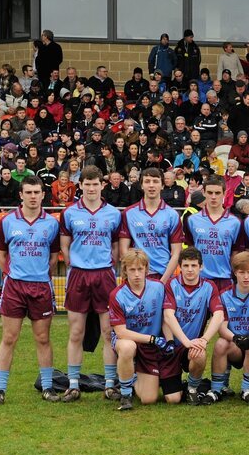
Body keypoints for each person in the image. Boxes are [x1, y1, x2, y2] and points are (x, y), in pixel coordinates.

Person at [0, 176, 61, 405]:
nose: (32, 196)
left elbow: (53, 258)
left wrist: (37, 273)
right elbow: (0, 256)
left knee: (42, 338)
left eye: (36, 192)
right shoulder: (8, 221)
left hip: (40, 286)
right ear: (21, 195)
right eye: (28, 192)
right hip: (15, 286)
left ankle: (48, 388)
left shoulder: (51, 223)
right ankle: (0, 390)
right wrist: (14, 273)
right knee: (9, 337)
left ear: (42, 195)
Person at [59, 166, 123, 403]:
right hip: (79, 275)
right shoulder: (69, 213)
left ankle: (109, 384)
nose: (92, 188)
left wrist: (108, 265)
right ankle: (73, 384)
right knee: (76, 332)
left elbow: (116, 246)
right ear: (81, 186)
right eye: (87, 184)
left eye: (96, 184)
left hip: (104, 275)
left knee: (108, 332)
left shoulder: (114, 214)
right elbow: (65, 243)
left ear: (102, 185)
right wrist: (72, 263)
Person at [108, 249, 173, 411]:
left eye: (140, 269)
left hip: (151, 346)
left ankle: (133, 374)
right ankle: (125, 394)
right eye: (132, 269)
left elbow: (165, 317)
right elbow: (121, 332)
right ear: (125, 271)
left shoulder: (158, 288)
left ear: (146, 269)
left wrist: (169, 340)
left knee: (149, 399)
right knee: (128, 347)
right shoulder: (117, 295)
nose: (137, 274)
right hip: (129, 340)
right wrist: (152, 339)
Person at [208, 251, 249, 403]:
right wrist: (235, 338)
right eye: (241, 272)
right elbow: (221, 327)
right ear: (235, 273)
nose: (246, 277)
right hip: (235, 344)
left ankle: (247, 389)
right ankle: (217, 390)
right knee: (220, 343)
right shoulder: (224, 295)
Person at [161, 247, 224, 405]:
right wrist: (185, 341)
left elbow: (219, 315)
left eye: (194, 265)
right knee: (172, 399)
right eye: (186, 265)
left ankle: (192, 389)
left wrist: (204, 339)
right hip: (170, 347)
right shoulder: (171, 285)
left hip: (192, 346)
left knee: (200, 353)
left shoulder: (209, 287)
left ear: (201, 267)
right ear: (180, 267)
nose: (190, 270)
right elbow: (168, 316)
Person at [118, 167, 184, 283]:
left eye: (156, 181)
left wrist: (163, 281)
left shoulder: (172, 215)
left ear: (162, 185)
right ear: (141, 185)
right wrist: (135, 275)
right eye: (147, 181)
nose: (151, 185)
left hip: (163, 275)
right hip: (137, 275)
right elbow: (123, 249)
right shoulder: (129, 213)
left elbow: (176, 252)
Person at [184, 176, 246, 293]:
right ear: (203, 192)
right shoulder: (192, 220)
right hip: (199, 278)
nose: (213, 197)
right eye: (210, 192)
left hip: (225, 278)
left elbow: (235, 253)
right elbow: (191, 250)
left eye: (217, 193)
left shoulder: (235, 222)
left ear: (224, 193)